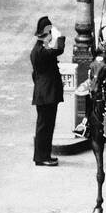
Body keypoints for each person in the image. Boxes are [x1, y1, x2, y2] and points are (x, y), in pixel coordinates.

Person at [30, 15, 65, 165]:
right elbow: (59, 49)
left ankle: (44, 155)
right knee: (45, 126)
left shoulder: (40, 49)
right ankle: (42, 157)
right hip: (46, 94)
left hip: (44, 93)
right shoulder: (42, 52)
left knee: (46, 126)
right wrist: (59, 36)